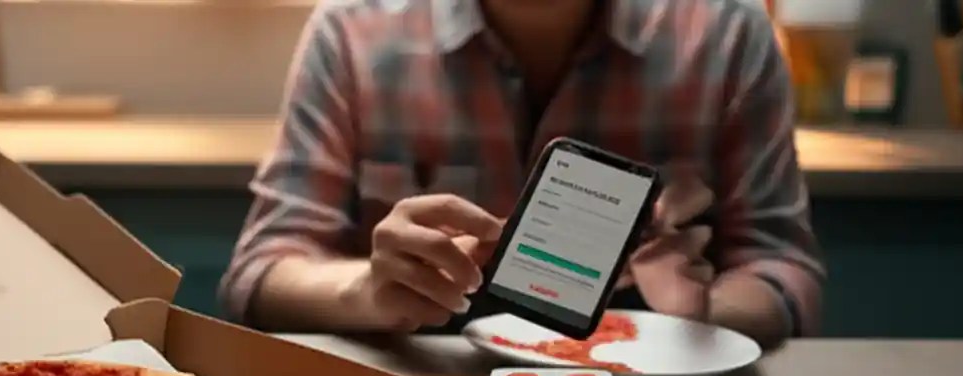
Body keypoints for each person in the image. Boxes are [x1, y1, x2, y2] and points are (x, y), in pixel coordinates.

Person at [219, 0, 825, 347]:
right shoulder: (353, 29)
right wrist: (364, 291)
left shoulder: (727, 33)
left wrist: (701, 320)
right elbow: (261, 273)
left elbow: (781, 269)